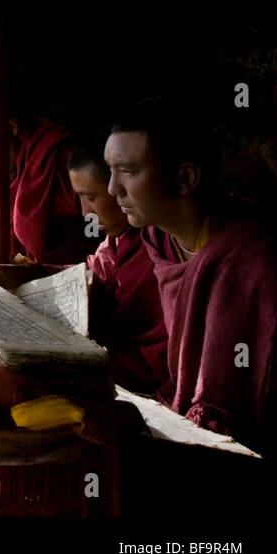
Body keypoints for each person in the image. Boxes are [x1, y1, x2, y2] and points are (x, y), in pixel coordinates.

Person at [106, 97, 277, 457]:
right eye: (110, 171)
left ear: (186, 178)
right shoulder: (160, 238)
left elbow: (225, 412)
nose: (113, 189)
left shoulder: (249, 261)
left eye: (127, 171)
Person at [67, 141, 168, 394]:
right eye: (79, 198)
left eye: (91, 198)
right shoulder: (117, 240)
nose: (85, 213)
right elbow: (93, 272)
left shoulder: (162, 246)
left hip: (149, 380)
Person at [9, 113, 93, 264]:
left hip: (77, 258)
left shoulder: (59, 151)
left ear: (12, 126)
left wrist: (91, 248)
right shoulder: (26, 152)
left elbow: (93, 214)